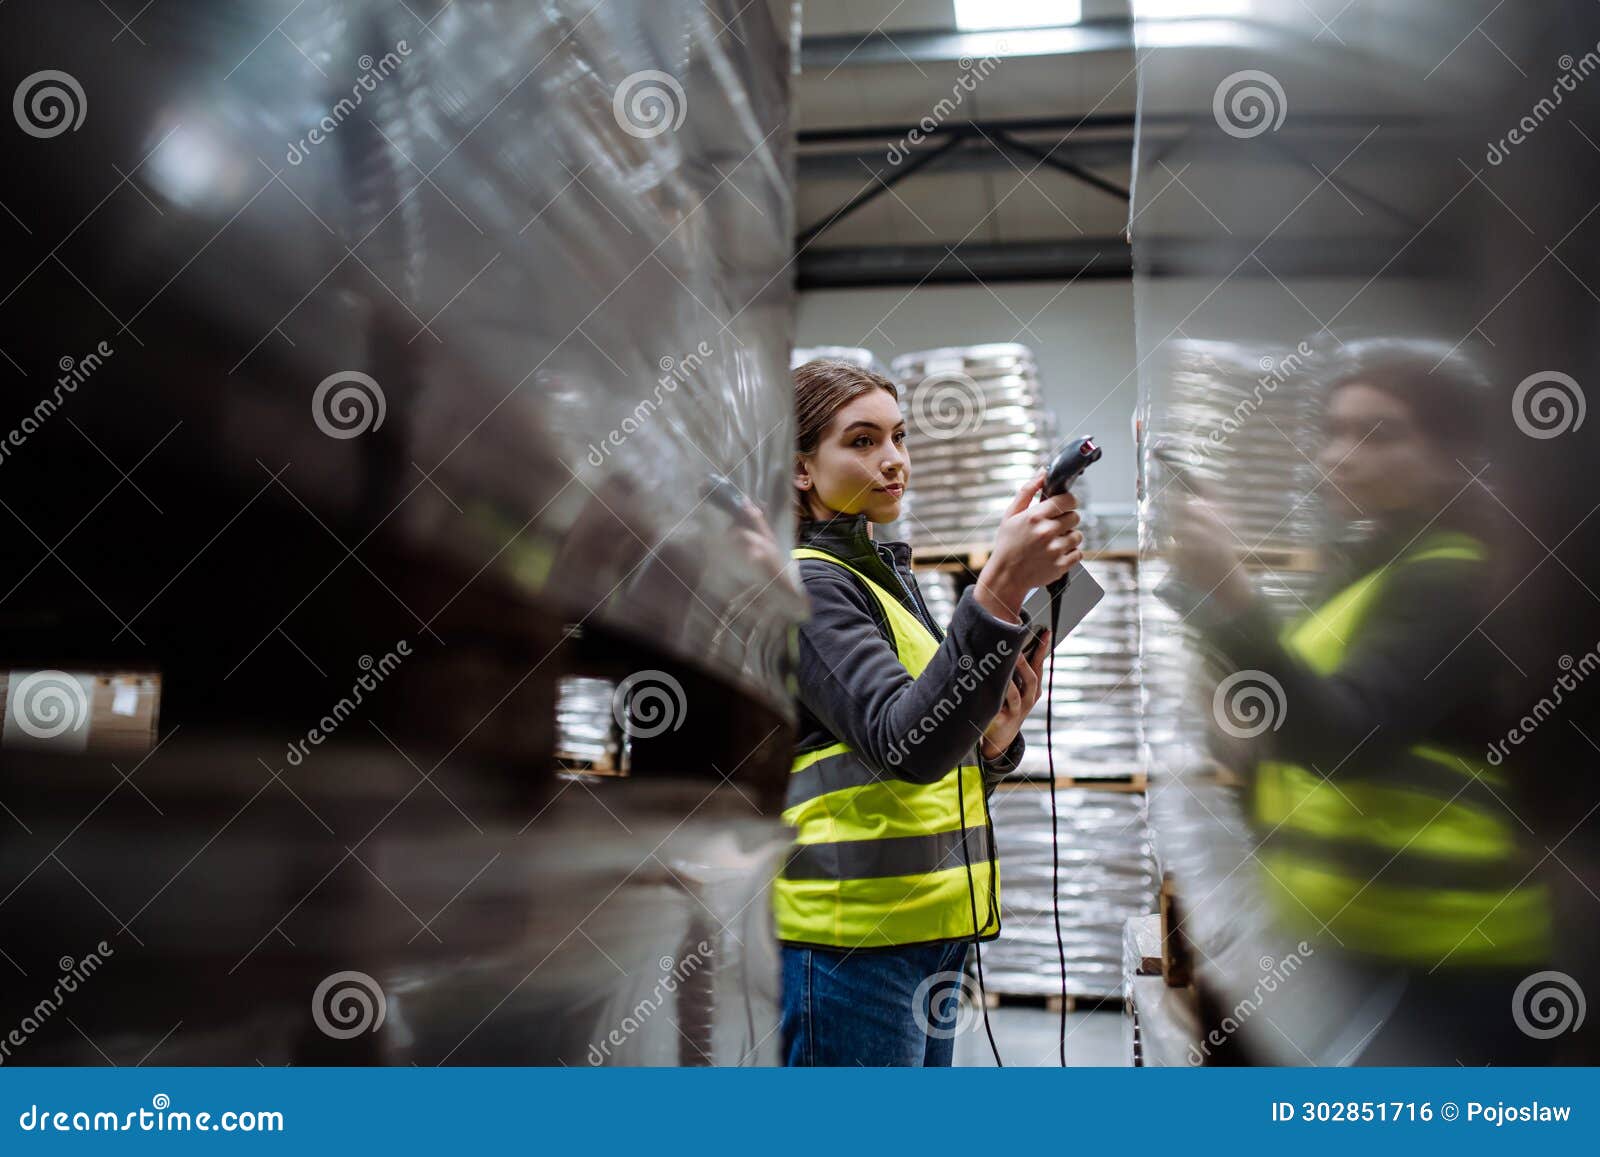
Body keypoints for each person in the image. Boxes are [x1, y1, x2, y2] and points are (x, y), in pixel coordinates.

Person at [1167, 339, 1553, 1064]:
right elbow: (1298, 711)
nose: (1342, 454)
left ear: (1451, 453)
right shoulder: (1362, 573)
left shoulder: (1455, 581)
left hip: (1447, 967)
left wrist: (1234, 594)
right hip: (1341, 947)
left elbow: (1345, 736)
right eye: (1335, 432)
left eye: (1378, 434)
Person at [775, 358, 1082, 1067]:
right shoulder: (807, 586)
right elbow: (901, 742)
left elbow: (931, 752)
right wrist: (999, 588)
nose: (893, 461)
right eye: (861, 441)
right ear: (799, 470)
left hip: (930, 933)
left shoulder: (885, 584)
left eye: (899, 437)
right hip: (851, 946)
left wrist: (994, 744)